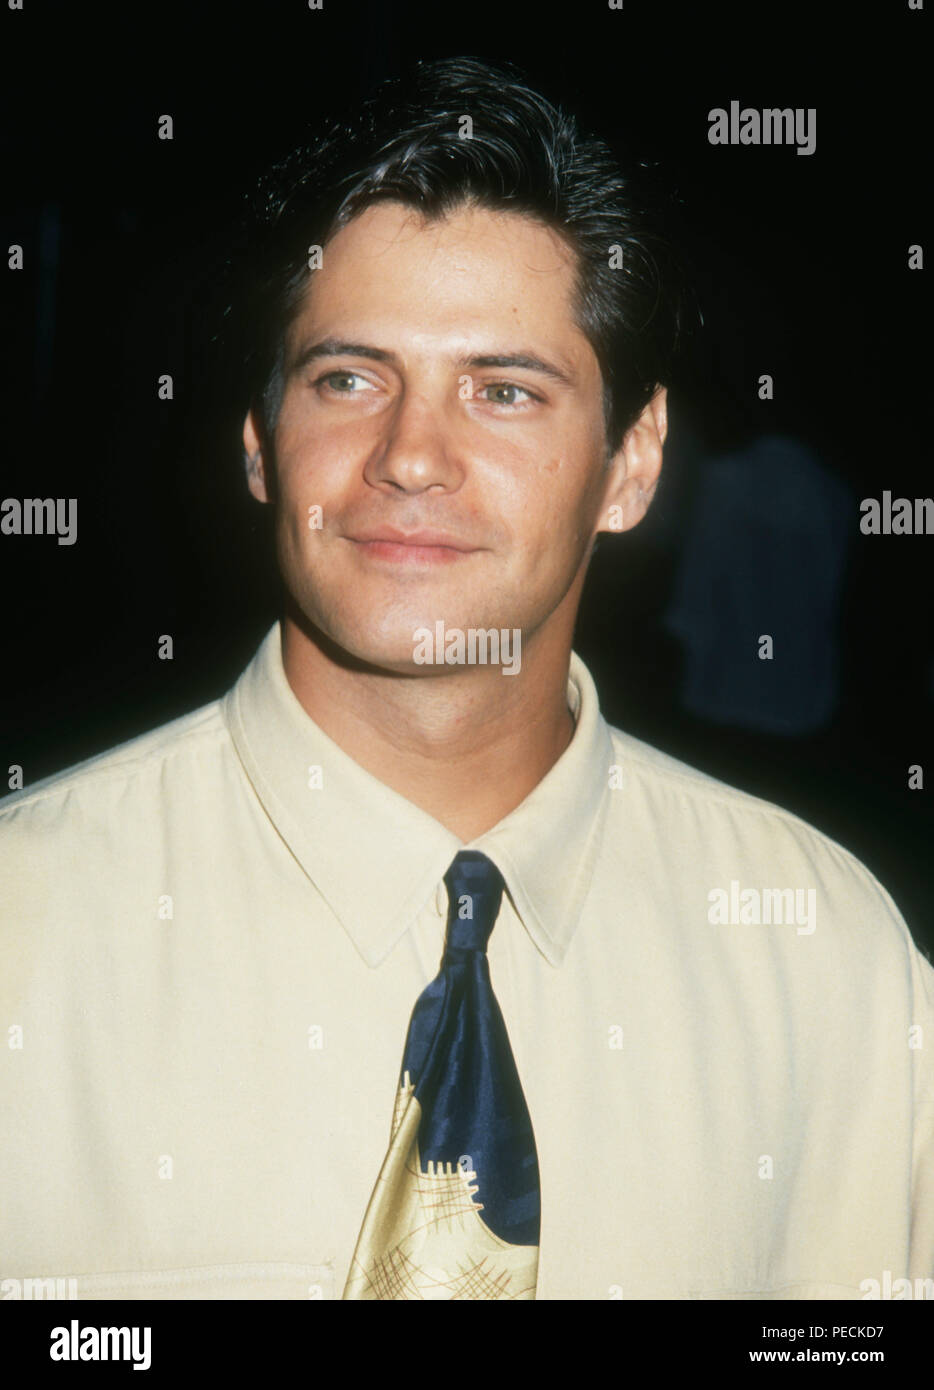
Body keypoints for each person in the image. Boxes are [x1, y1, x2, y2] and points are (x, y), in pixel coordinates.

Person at [1, 57, 931, 1303]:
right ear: (259, 441)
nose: (411, 455)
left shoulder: (829, 958)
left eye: (502, 390)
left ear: (630, 463)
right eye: (348, 377)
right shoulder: (30, 928)